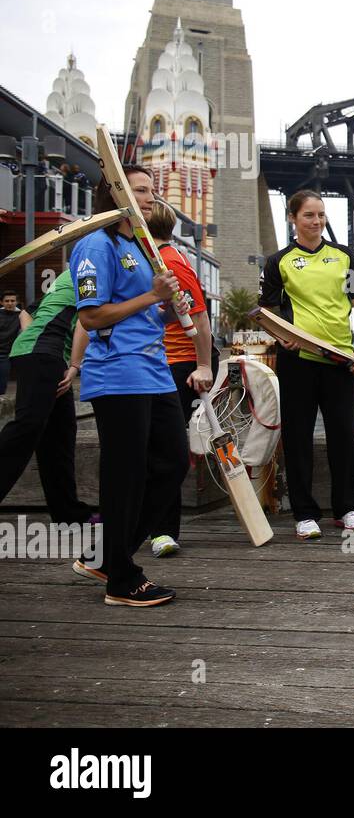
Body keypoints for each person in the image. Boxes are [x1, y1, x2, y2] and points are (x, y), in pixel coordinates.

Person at [69, 164, 196, 607]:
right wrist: (151, 297)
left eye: (151, 191)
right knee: (124, 475)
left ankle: (107, 554)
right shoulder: (94, 244)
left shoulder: (140, 248)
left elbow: (143, 312)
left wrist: (165, 306)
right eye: (141, 190)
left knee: (174, 462)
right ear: (116, 195)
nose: (150, 197)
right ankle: (122, 579)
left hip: (155, 370)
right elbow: (91, 316)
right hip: (118, 374)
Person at [259, 190, 354, 540]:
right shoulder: (278, 262)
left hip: (340, 360)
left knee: (344, 436)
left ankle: (345, 509)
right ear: (293, 218)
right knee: (298, 438)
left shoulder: (343, 257)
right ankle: (305, 514)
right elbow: (266, 313)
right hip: (298, 362)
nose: (317, 221)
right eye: (309, 215)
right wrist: (281, 338)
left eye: (321, 215)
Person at [142, 199, 215, 558]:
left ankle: (164, 529)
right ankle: (151, 524)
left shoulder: (169, 262)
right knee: (153, 446)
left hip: (179, 362)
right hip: (159, 361)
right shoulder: (156, 258)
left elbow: (200, 318)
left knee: (165, 447)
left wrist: (204, 366)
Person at [0, 271, 96, 523]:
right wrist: (74, 364)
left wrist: (36, 342)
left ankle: (69, 514)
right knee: (26, 429)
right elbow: (87, 319)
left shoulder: (71, 274)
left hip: (43, 353)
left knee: (59, 436)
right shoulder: (89, 272)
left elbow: (26, 312)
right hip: (44, 354)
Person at [0, 289, 31, 394]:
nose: (9, 303)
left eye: (12, 301)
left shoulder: (21, 315)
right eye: (7, 301)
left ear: (16, 302)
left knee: (2, 382)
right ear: (2, 302)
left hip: (7, 354)